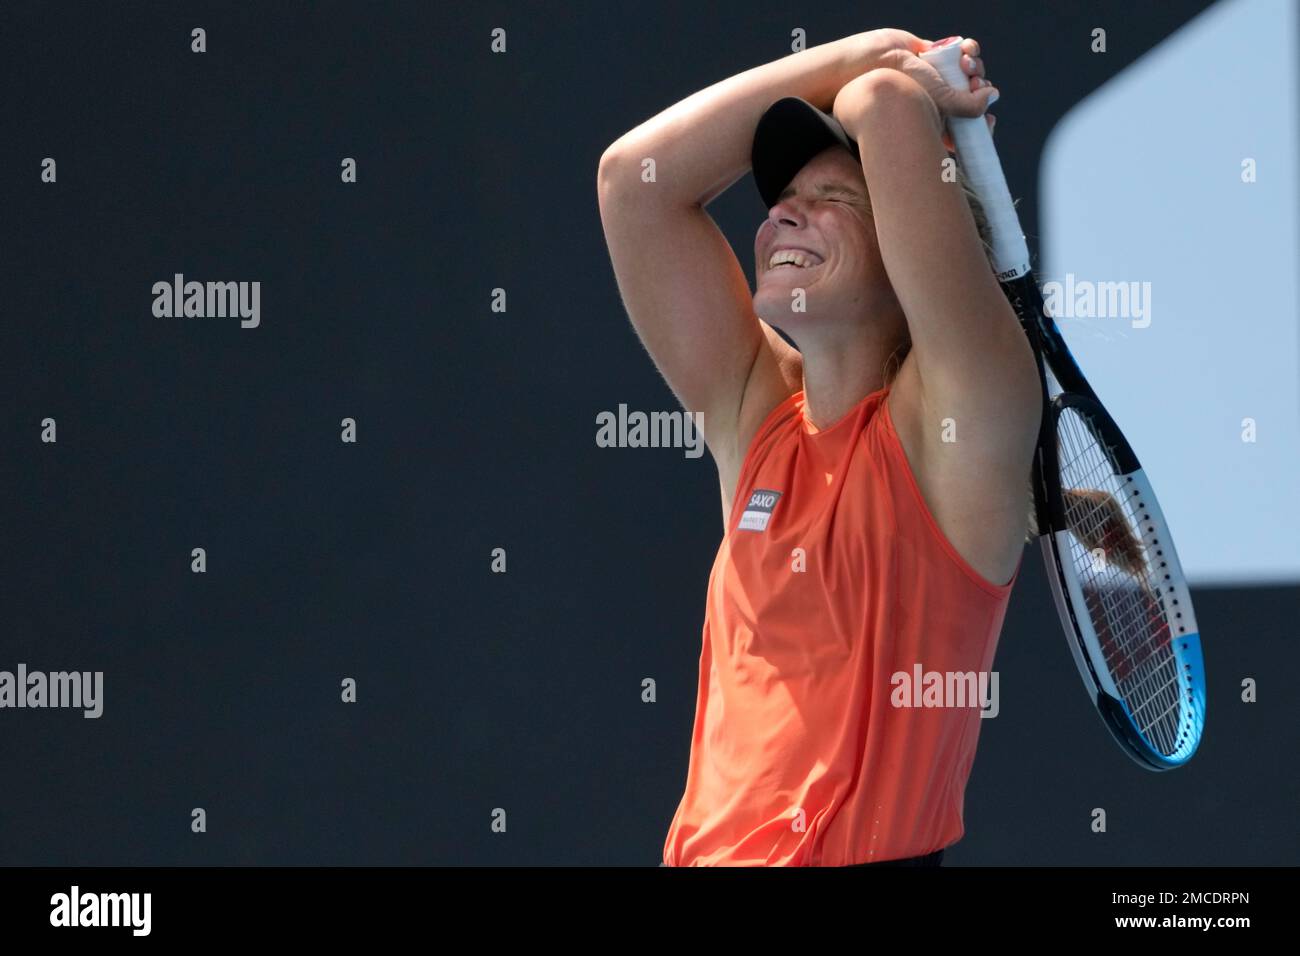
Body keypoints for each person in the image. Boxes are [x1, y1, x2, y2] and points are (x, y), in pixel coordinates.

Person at [597, 30, 1041, 866]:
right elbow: (635, 185)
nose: (780, 215)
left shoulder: (970, 418)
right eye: (782, 197)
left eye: (834, 197)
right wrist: (870, 51)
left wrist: (893, 75)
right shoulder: (755, 415)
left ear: (914, 252)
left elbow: (883, 104)